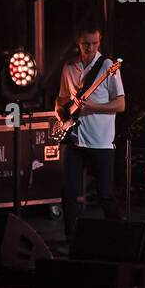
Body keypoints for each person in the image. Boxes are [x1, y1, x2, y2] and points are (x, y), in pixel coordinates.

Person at [57, 23, 125, 242]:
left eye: (95, 43)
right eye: (86, 44)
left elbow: (121, 104)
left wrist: (94, 107)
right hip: (74, 139)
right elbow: (61, 99)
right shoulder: (68, 67)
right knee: (69, 193)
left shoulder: (108, 67)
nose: (91, 48)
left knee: (105, 195)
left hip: (101, 141)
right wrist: (59, 114)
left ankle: (120, 238)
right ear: (78, 43)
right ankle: (72, 238)